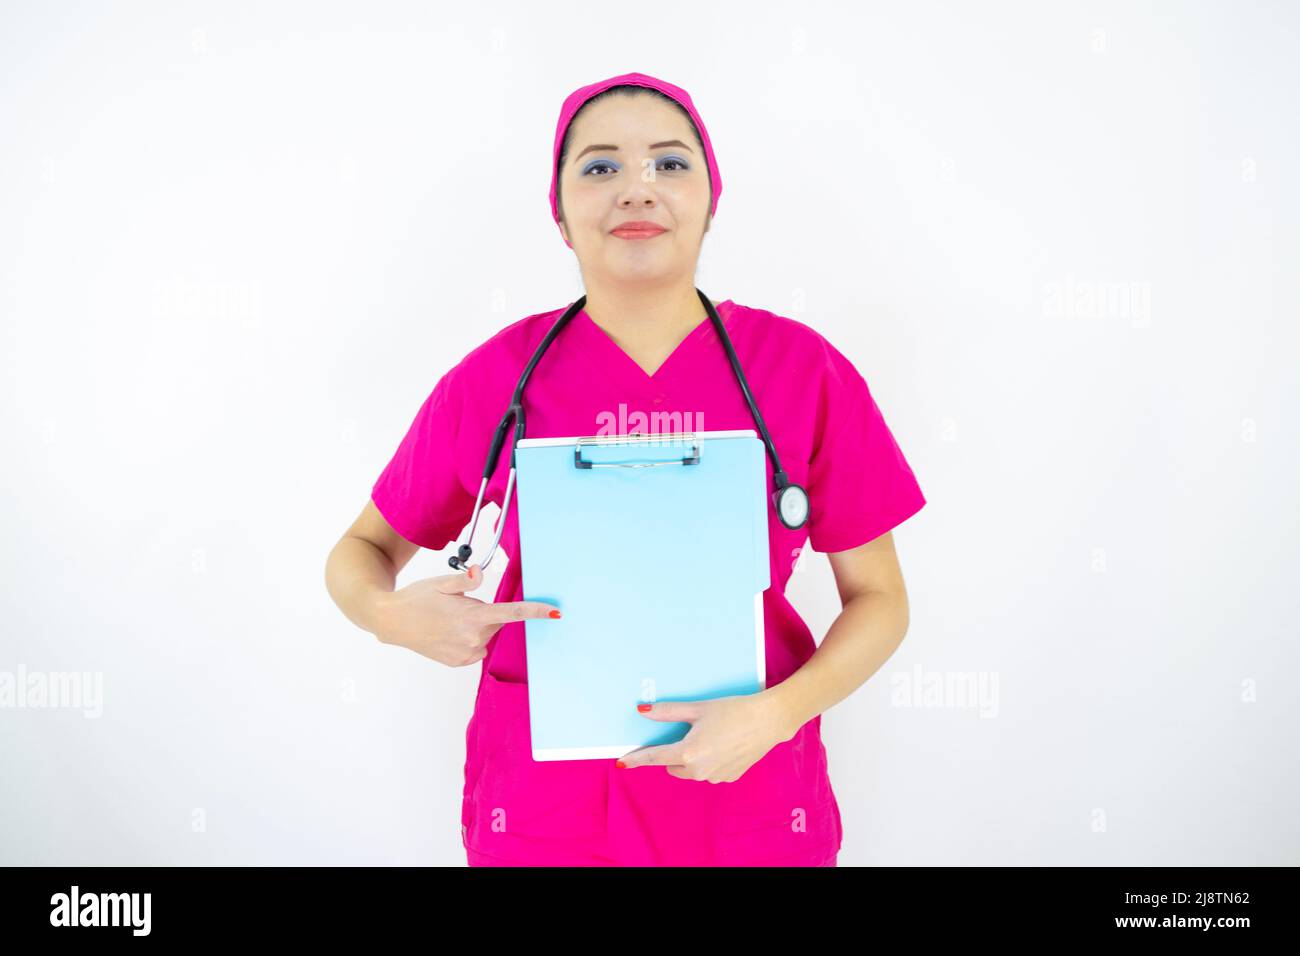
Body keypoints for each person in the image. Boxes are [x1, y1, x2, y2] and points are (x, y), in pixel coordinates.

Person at [324, 72, 926, 866]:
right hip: (546, 808)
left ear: (712, 202)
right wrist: (387, 614)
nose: (637, 190)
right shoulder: (497, 377)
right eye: (601, 167)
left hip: (746, 793)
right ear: (561, 215)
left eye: (670, 165)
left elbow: (881, 600)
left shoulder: (803, 372)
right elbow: (358, 554)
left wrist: (778, 715)